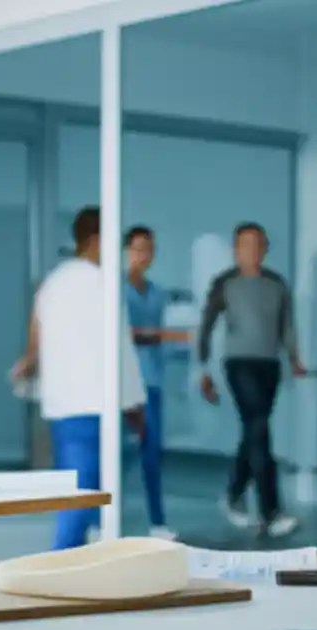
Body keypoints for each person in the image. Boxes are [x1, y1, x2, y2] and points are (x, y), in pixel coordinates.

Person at [11, 206, 150, 549]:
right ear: (96, 240)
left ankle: (89, 540)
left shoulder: (53, 283)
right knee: (84, 491)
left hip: (62, 406)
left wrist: (27, 371)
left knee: (81, 486)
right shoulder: (104, 284)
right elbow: (121, 349)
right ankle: (60, 559)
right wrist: (135, 406)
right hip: (95, 404)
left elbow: (34, 344)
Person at [199, 222, 306, 538]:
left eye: (258, 244)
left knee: (254, 432)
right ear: (236, 249)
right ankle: (271, 512)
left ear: (265, 248)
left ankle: (233, 494)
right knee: (259, 429)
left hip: (269, 364)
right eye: (245, 245)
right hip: (239, 364)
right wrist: (203, 370)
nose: (252, 251)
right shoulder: (224, 283)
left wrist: (294, 359)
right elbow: (206, 326)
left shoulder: (277, 284)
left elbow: (286, 326)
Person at [122, 225, 189, 540]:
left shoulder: (159, 293)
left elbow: (163, 337)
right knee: (114, 454)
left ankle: (157, 522)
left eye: (149, 249)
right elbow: (121, 334)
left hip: (151, 382)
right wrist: (157, 335)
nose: (143, 255)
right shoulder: (116, 290)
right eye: (138, 249)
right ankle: (98, 520)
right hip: (121, 383)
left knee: (152, 453)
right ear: (126, 252)